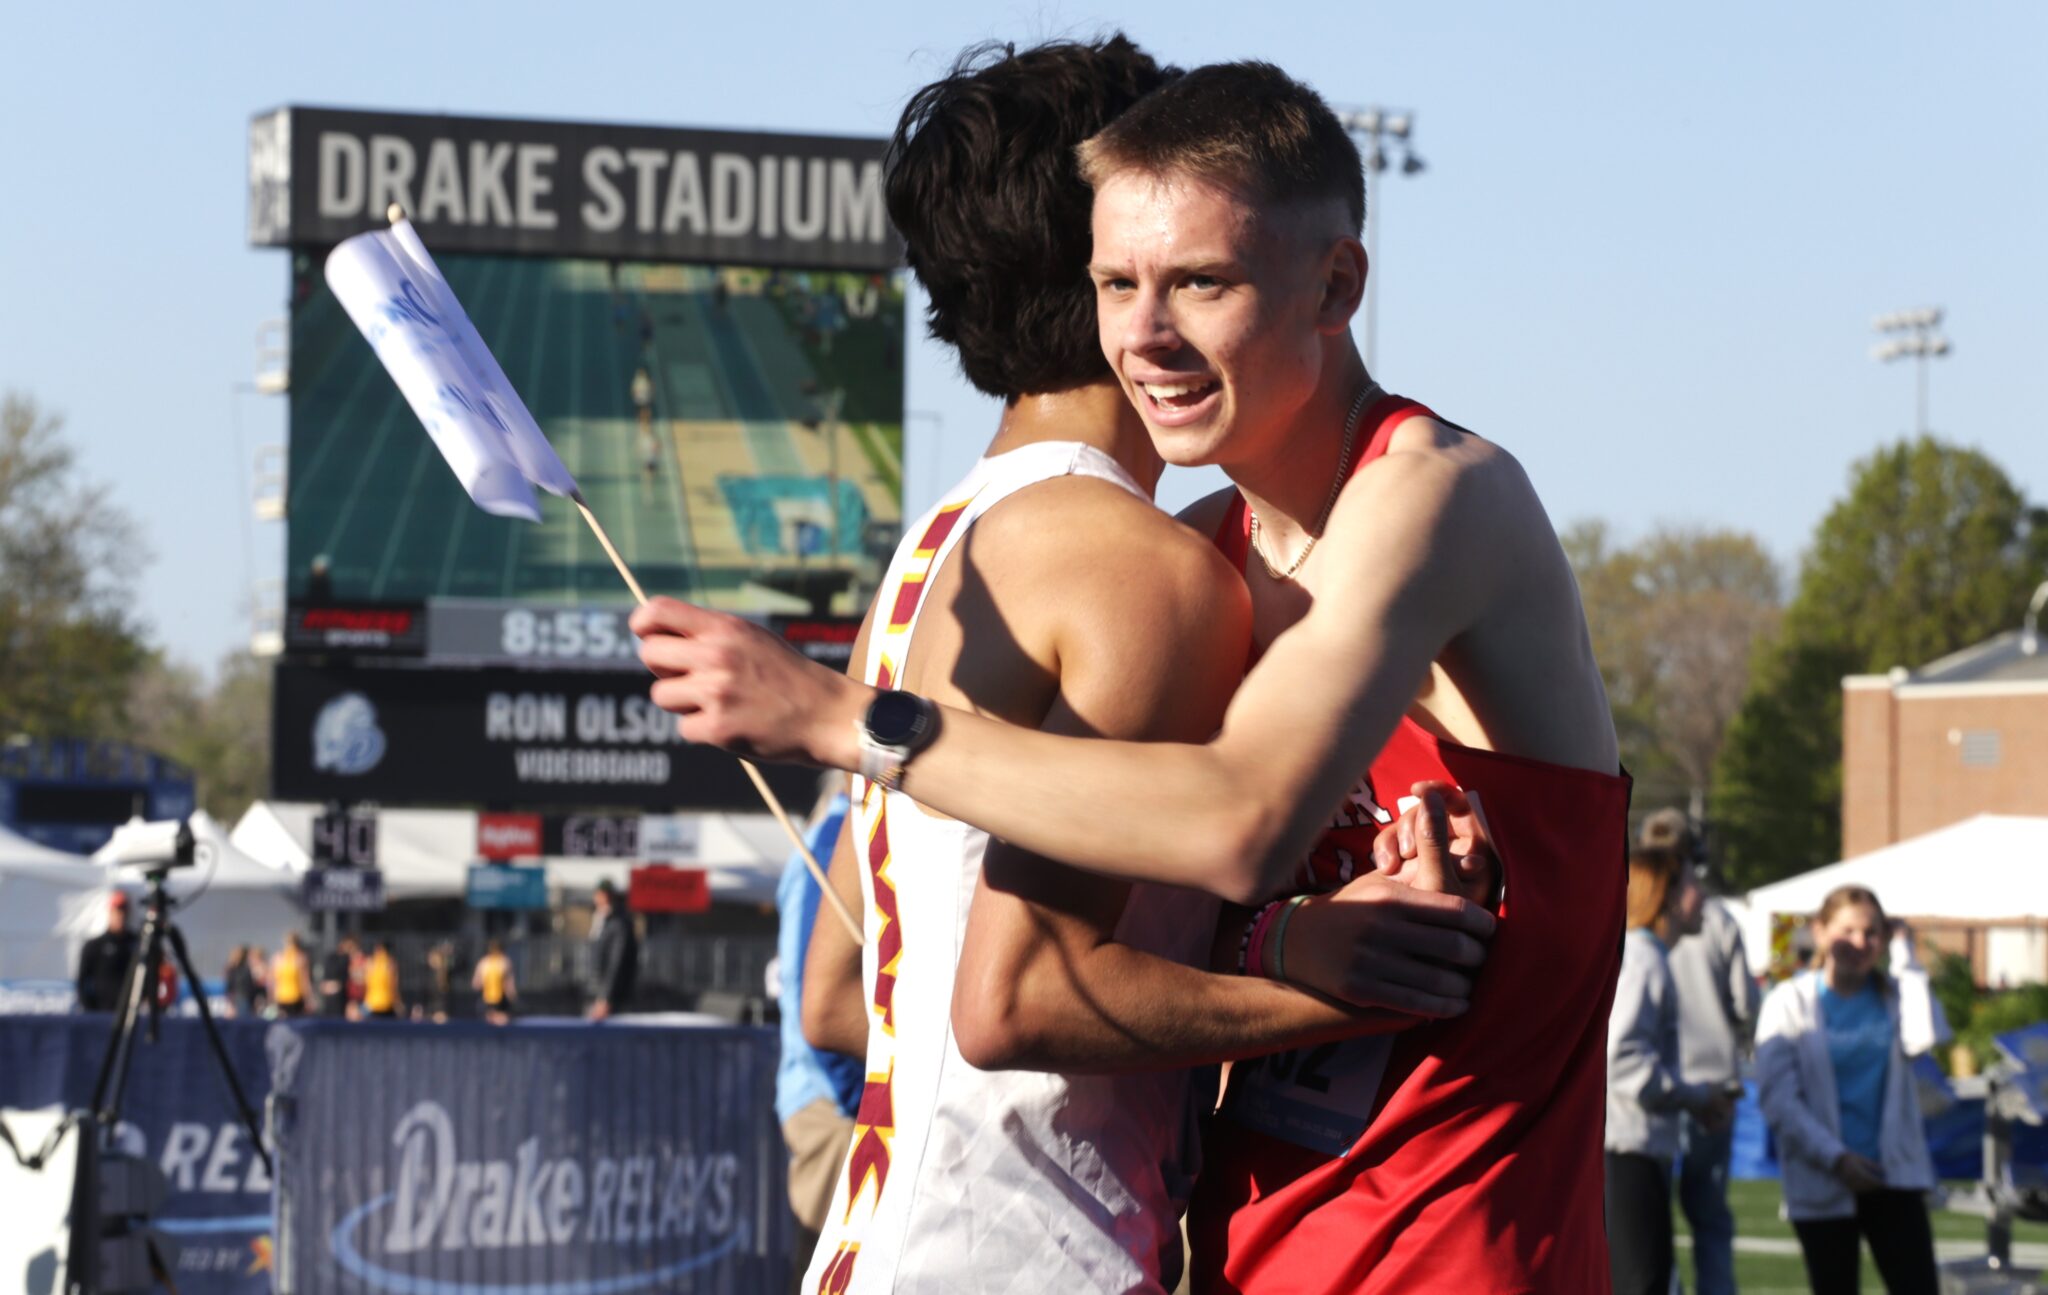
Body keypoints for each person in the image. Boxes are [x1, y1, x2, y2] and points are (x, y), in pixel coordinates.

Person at [633, 58, 1626, 1293]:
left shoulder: (1436, 495)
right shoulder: (1190, 560)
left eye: (1198, 283)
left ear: (1336, 282)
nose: (1146, 336)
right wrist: (1287, 963)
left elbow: (1240, 817)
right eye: (1117, 284)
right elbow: (979, 987)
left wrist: (853, 718)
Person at [1756, 886, 1939, 1295]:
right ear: (1820, 932)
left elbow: (1923, 1036)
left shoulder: (1895, 996)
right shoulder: (1788, 1003)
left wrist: (1906, 954)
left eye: (1872, 932)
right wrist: (1835, 1158)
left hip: (1893, 1176)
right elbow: (1779, 1099)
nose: (1860, 943)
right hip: (1823, 1177)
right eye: (1848, 930)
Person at [1606, 844, 1735, 1295]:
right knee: (1641, 1282)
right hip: (1624, 1150)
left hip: (1635, 1146)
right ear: (1665, 893)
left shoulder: (1647, 957)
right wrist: (1696, 1096)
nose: (1702, 896)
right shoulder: (1642, 961)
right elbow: (1622, 1060)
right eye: (1692, 884)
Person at [1646, 807, 1758, 1295]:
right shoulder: (1717, 919)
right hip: (1711, 1083)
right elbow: (1745, 1004)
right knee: (1709, 1216)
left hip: (1657, 1088)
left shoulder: (1631, 913)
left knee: (1650, 1220)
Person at [772, 790, 862, 1287]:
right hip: (833, 1103)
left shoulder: (831, 834)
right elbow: (820, 997)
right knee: (829, 1272)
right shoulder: (836, 840)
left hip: (832, 1095)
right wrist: (860, 1099)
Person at [75, 891, 138, 1013]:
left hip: (131, 1013)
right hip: (102, 1012)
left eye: (123, 912)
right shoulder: (94, 945)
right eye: (117, 911)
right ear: (110, 913)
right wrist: (90, 1010)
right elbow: (82, 982)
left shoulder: (138, 943)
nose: (120, 916)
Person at [586, 880, 638, 1020]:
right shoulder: (601, 920)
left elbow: (616, 963)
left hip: (610, 1000)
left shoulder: (618, 924)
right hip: (598, 993)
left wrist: (605, 998)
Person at [473, 937, 516, 1025]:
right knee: (501, 1021)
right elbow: (509, 984)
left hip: (488, 999)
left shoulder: (484, 962)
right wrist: (512, 995)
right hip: (499, 999)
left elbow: (476, 984)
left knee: (490, 1020)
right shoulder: (504, 961)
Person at [319, 934, 358, 1020]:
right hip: (334, 1003)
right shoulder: (334, 959)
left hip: (342, 1002)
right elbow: (325, 983)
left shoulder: (349, 960)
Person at [272, 932, 312, 1017]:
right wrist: (309, 999)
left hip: (281, 996)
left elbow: (274, 981)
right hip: (295, 996)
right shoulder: (300, 958)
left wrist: (272, 998)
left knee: (283, 1024)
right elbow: (304, 981)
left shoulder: (278, 958)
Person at [363, 940, 403, 1019]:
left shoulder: (369, 963)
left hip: (371, 1003)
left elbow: (365, 984)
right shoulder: (390, 963)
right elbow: (393, 985)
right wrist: (398, 1002)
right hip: (387, 1003)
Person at [224, 945, 265, 1018]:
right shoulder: (242, 969)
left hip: (241, 998)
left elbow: (230, 986)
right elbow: (247, 985)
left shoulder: (234, 969)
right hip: (243, 998)